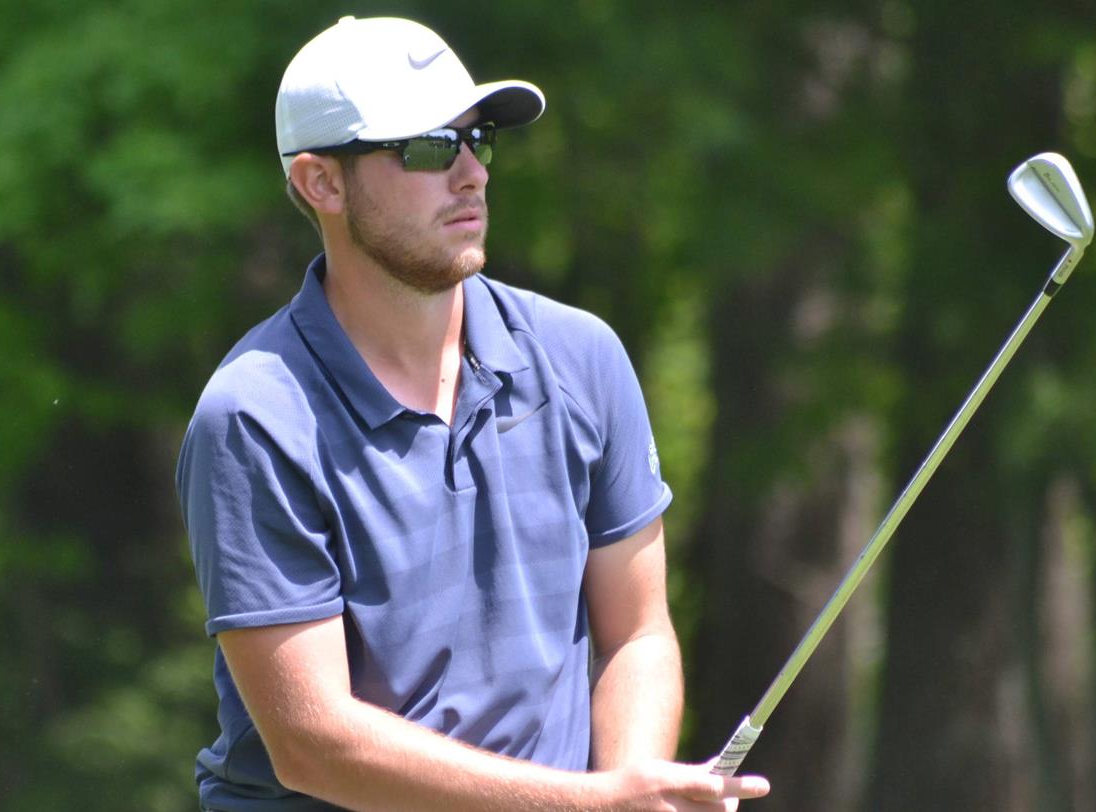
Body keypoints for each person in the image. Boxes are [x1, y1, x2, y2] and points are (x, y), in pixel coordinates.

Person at [176, 15, 770, 811]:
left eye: (478, 139)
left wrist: (629, 790)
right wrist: (589, 805)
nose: (471, 174)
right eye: (427, 147)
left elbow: (637, 635)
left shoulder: (580, 355)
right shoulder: (255, 417)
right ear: (322, 183)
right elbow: (313, 745)